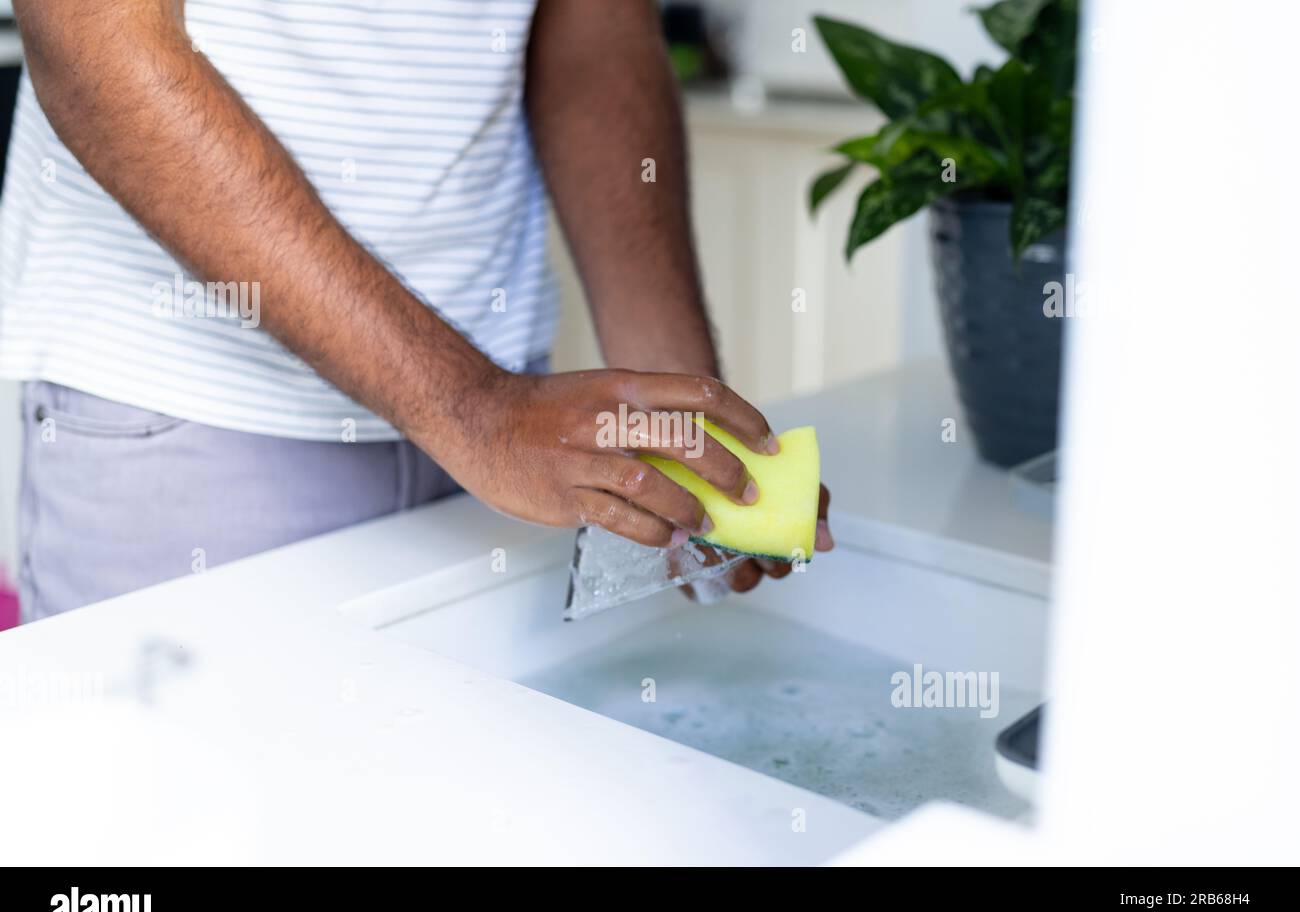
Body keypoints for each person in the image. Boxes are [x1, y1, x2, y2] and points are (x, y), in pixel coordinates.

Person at [0, 0, 831, 621]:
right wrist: (473, 408)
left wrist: (680, 424)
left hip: (508, 431)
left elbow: (595, 36)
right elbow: (92, 39)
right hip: (192, 411)